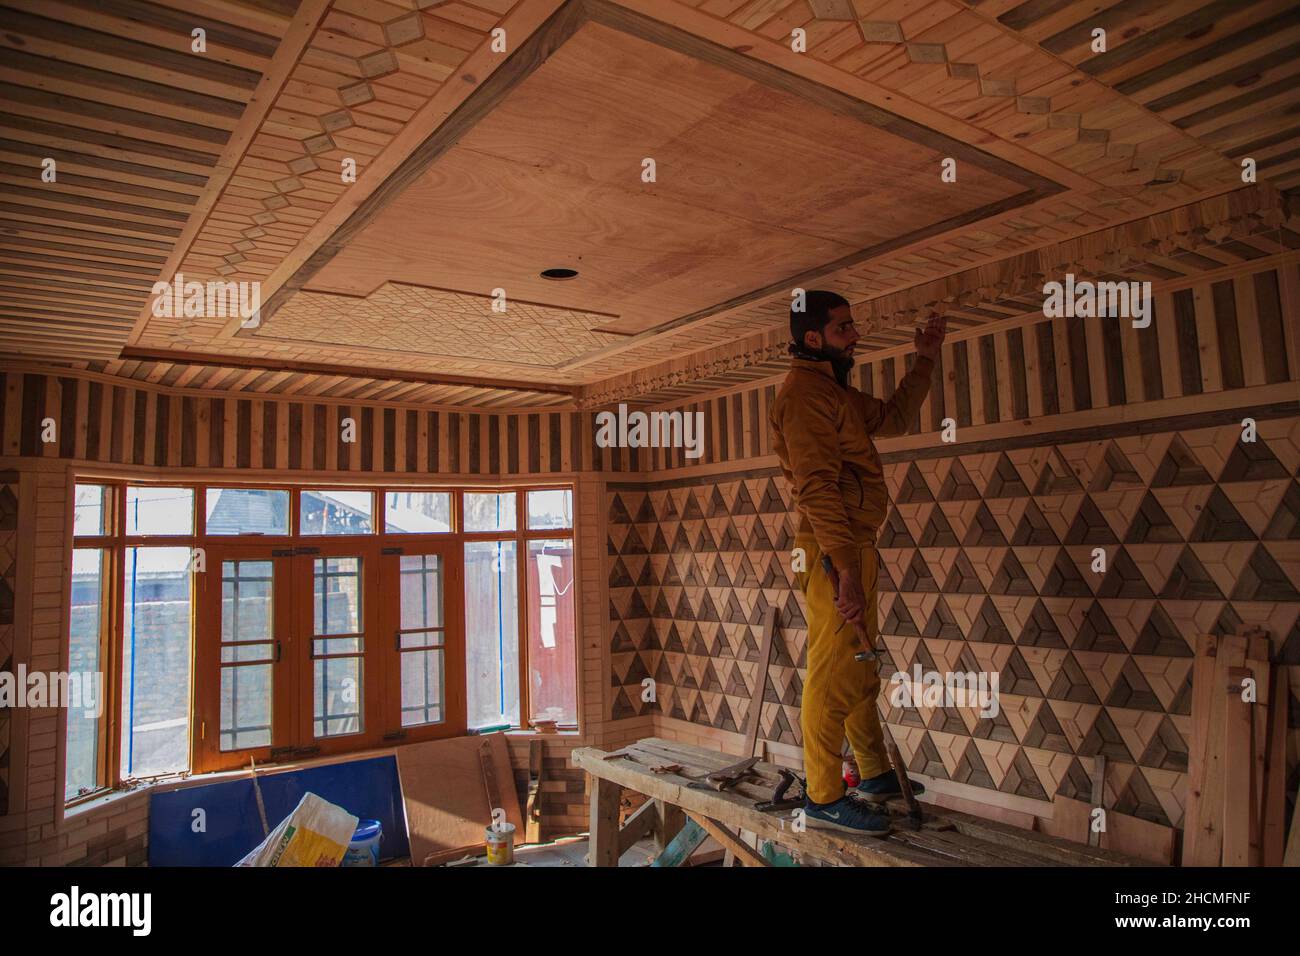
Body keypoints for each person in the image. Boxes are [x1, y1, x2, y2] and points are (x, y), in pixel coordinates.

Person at [769, 290, 946, 835]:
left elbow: (891, 419)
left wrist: (926, 358)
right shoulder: (804, 396)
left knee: (860, 660)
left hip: (850, 546)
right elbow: (817, 487)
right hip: (831, 546)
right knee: (830, 672)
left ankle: (872, 773)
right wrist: (843, 567)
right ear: (814, 338)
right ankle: (822, 798)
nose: (856, 335)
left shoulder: (832, 392)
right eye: (845, 327)